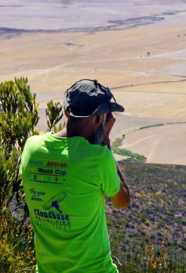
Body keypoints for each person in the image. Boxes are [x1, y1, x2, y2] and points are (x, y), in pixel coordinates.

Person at [20, 79, 131, 273]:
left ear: (66, 112)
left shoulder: (32, 148)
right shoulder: (98, 158)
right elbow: (122, 201)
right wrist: (105, 142)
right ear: (99, 120)